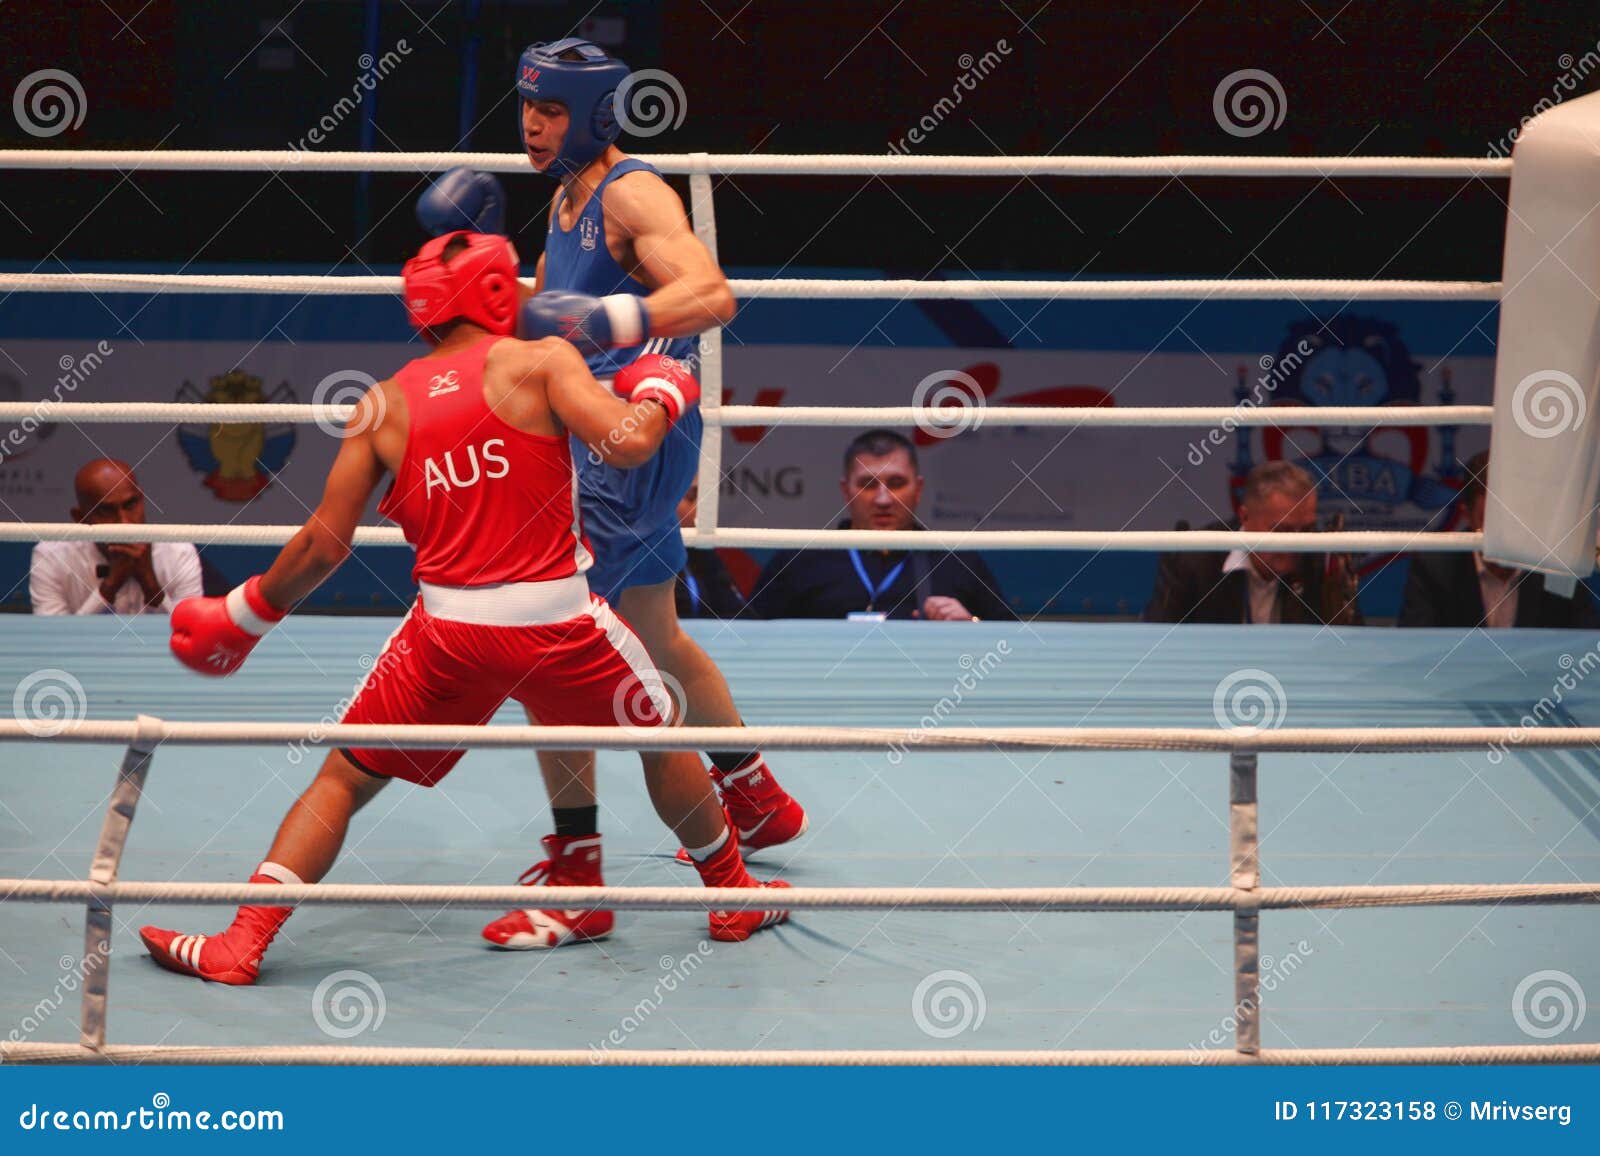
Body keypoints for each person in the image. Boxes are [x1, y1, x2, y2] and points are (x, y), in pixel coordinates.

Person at [137, 231, 787, 986]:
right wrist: (661, 387)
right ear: (493, 294)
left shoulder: (380, 404)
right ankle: (733, 895)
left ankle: (242, 941)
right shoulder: (540, 362)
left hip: (446, 634)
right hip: (559, 624)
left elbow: (321, 546)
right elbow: (631, 445)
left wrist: (244, 615)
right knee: (665, 740)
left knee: (343, 781)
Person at [414, 38, 804, 952]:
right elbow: (540, 319)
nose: (530, 125)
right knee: (655, 633)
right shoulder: (562, 198)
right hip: (609, 437)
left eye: (549, 111)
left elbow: (712, 294)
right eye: (525, 107)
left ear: (593, 113)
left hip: (631, 436)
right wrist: (469, 273)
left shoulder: (632, 191)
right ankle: (757, 800)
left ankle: (581, 870)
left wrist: (611, 320)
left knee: (557, 647)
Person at [749, 430, 1013, 620]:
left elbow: (1012, 648)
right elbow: (745, 641)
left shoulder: (957, 561)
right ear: (846, 490)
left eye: (897, 483)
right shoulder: (799, 560)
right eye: (868, 484)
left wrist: (972, 627)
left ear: (918, 489)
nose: (883, 499)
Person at [1144, 460, 1363, 625]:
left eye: (1306, 529)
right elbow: (1156, 643)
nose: (1297, 542)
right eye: (1282, 530)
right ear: (1245, 517)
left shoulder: (1322, 564)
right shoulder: (1193, 559)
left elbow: (1350, 650)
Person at [1398, 450, 1599, 628]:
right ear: (1466, 515)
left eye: (1516, 518)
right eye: (1492, 521)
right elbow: (1416, 651)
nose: (1505, 534)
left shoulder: (1558, 565)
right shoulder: (1434, 567)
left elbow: (1586, 643)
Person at [29, 459, 203, 615]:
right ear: (80, 518)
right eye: (107, 511)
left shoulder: (180, 553)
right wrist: (109, 588)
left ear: (142, 499)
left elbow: (191, 637)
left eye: (130, 504)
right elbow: (55, 642)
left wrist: (152, 588)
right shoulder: (51, 556)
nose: (125, 522)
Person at [675, 482, 747, 619]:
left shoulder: (703, 552)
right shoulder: (641, 557)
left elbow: (738, 613)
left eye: (705, 496)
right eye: (691, 496)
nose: (701, 506)